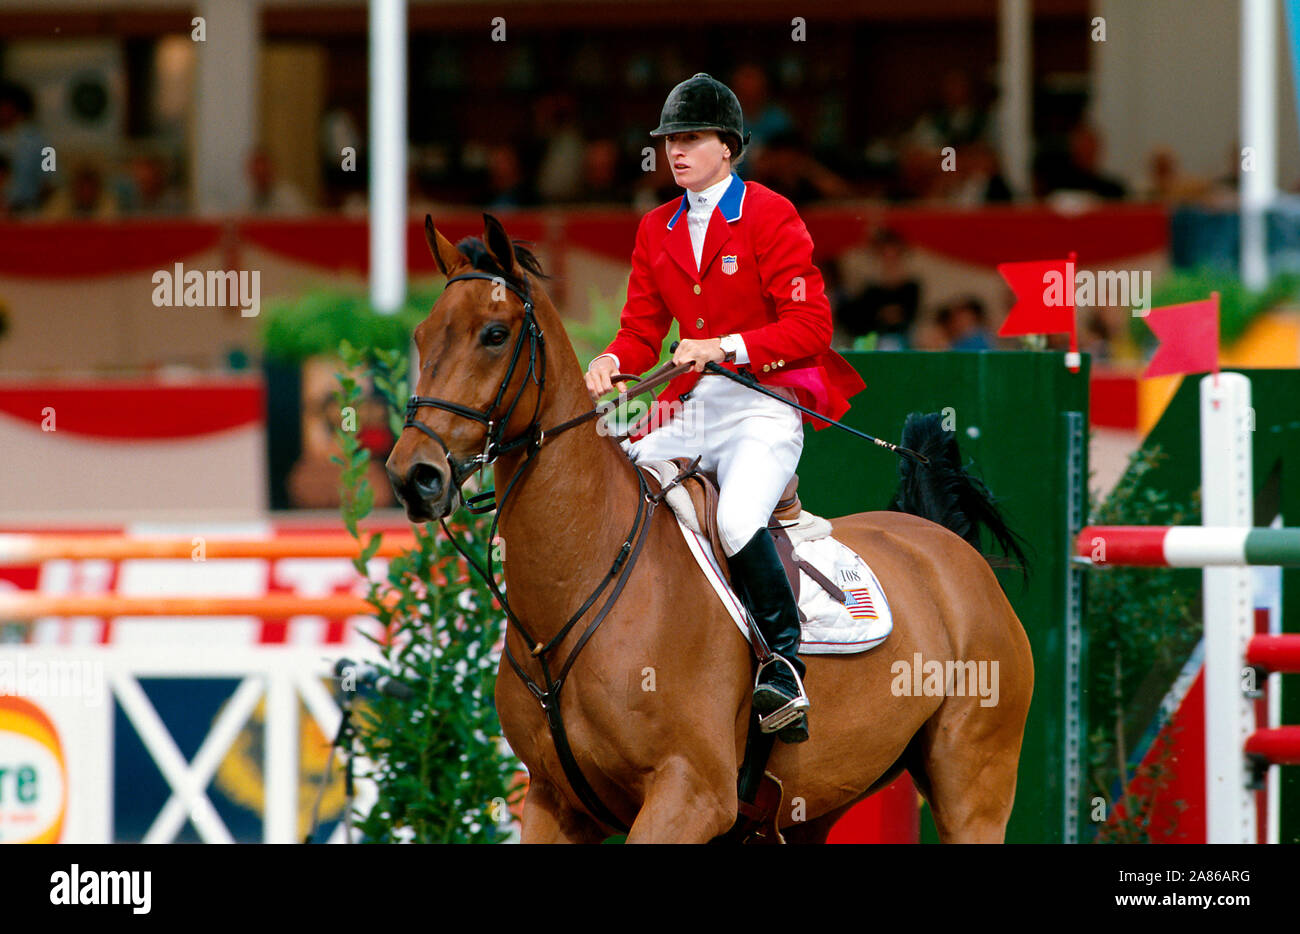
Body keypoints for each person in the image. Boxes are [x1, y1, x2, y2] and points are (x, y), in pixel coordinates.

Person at [584, 73, 866, 743]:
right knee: (620, 490)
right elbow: (640, 330)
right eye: (669, 141)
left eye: (690, 139)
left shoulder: (769, 213)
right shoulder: (657, 227)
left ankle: (783, 667)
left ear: (728, 147)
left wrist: (726, 345)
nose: (675, 152)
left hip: (764, 403)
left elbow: (812, 325)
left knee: (738, 519)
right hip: (691, 406)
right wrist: (610, 360)